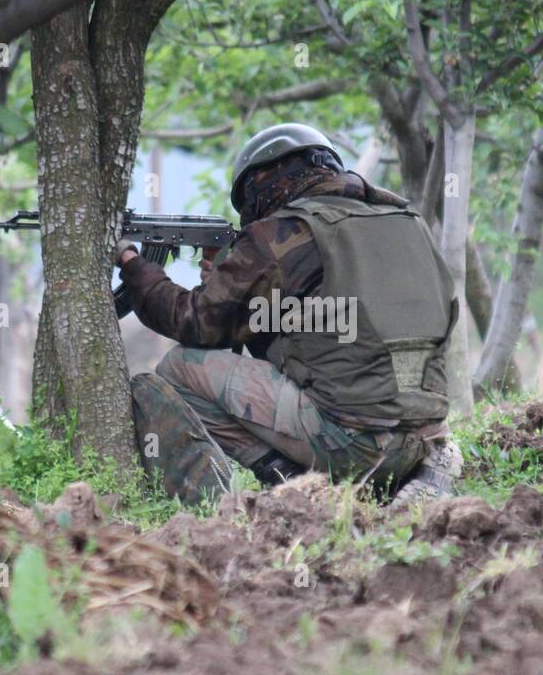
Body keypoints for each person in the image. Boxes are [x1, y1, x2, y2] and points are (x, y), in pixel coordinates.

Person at [117, 123, 462, 506]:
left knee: (181, 368)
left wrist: (134, 266)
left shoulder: (285, 232)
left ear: (264, 181)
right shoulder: (408, 223)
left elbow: (193, 322)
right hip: (426, 434)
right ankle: (408, 474)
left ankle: (295, 487)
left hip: (354, 445)